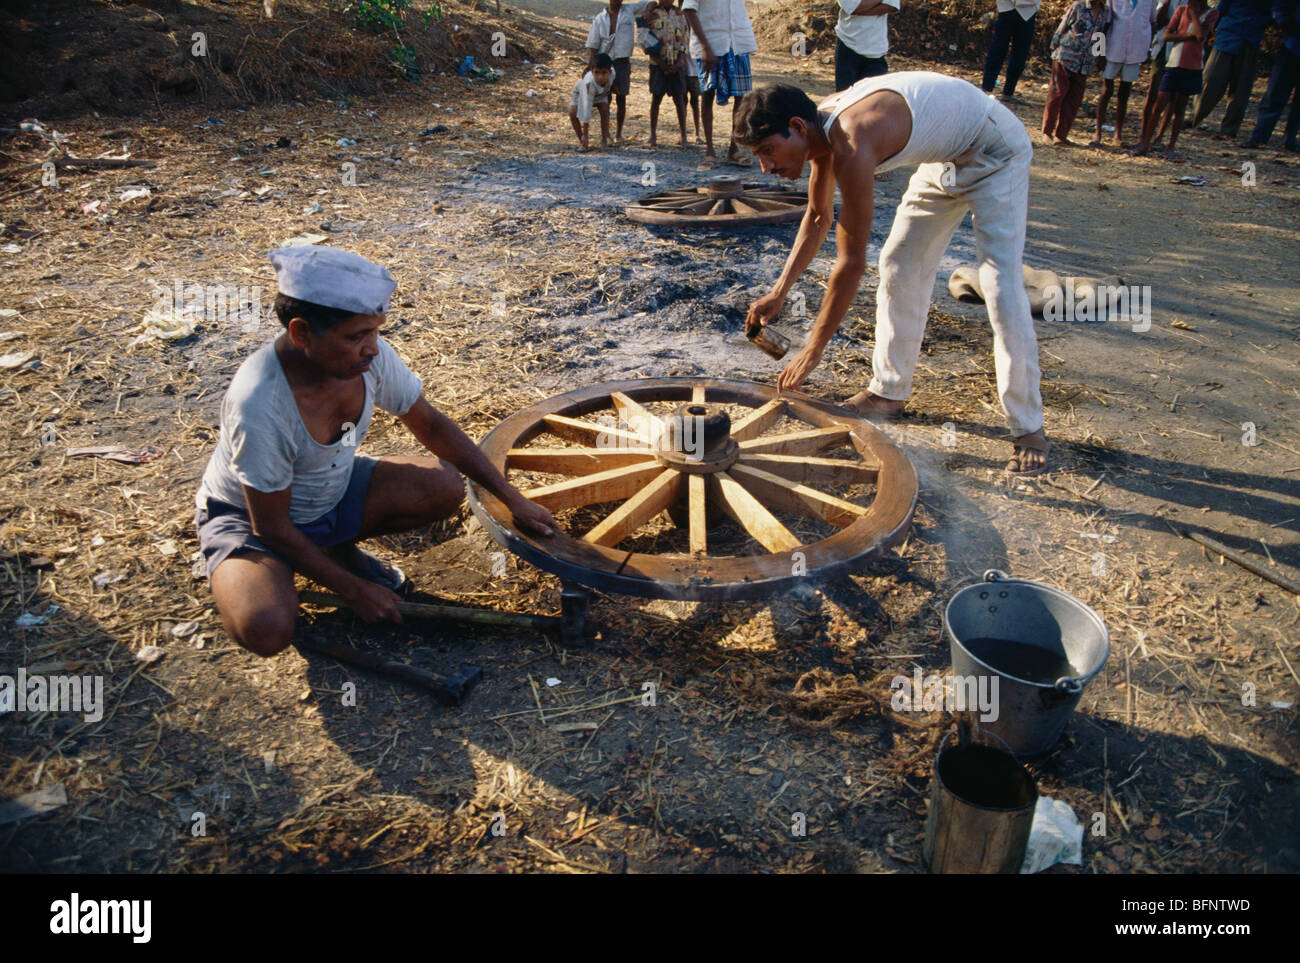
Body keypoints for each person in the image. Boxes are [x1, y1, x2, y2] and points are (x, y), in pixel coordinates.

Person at [194, 246, 557, 657]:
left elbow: (432, 426)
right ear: (301, 333)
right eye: (356, 336)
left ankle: (335, 550)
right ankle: (277, 571)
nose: (372, 347)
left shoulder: (369, 358)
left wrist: (512, 498)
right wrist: (354, 591)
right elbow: (272, 528)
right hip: (253, 521)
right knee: (266, 628)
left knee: (442, 487)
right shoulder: (259, 403)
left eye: (375, 331)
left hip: (329, 492)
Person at [736, 75, 1050, 474]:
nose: (765, 167)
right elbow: (817, 216)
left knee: (999, 283)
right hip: (944, 158)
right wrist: (780, 291)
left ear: (797, 128)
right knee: (900, 262)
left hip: (994, 149)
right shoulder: (819, 135)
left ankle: (1028, 427)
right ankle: (888, 393)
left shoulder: (851, 139)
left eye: (768, 151)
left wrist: (813, 350)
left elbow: (850, 262)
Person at [682, 0, 759, 166]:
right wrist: (705, 47)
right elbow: (689, 10)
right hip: (711, 44)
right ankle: (709, 149)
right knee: (707, 95)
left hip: (738, 43)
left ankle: (734, 147)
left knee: (741, 98)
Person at [1135, 0, 1214, 158]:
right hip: (1174, 62)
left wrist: (1193, 14)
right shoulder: (1180, 10)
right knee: (1160, 103)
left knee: (1179, 107)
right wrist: (1189, 34)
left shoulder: (1211, 13)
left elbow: (1200, 35)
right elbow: (1167, 35)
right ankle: (1145, 143)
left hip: (1193, 65)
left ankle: (1170, 146)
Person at [1191, 0, 1272, 139]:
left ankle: (1229, 129)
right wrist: (1210, 30)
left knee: (1241, 88)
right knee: (1211, 79)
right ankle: (1194, 118)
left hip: (1251, 38)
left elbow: (1272, 14)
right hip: (1228, 35)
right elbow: (1221, 9)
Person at [1092, 0, 1159, 148]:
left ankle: (1118, 134)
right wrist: (1098, 53)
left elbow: (1152, 23)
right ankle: (1098, 132)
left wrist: (1149, 49)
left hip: (1136, 50)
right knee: (1106, 90)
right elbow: (1103, 24)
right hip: (1113, 48)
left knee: (1124, 93)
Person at [1046, 0, 1111, 145]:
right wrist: (1054, 48)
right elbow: (1062, 29)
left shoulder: (1105, 12)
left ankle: (1061, 135)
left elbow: (1100, 35)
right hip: (1066, 56)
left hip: (1085, 62)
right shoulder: (1078, 6)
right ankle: (1047, 132)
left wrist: (1098, 57)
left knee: (1074, 100)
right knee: (1057, 94)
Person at [1244, 0, 1300, 149]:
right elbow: (1279, 7)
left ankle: (1291, 140)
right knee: (1274, 94)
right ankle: (1259, 136)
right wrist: (1287, 24)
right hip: (1292, 46)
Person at [586, 0, 636, 144]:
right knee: (605, 99)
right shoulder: (599, 18)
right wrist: (591, 66)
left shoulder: (629, 11)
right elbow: (593, 44)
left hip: (622, 60)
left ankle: (619, 133)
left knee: (621, 97)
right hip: (604, 62)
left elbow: (648, 4)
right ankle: (606, 133)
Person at [644, 0, 691, 147]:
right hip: (658, 64)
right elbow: (645, 40)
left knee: (680, 99)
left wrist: (680, 62)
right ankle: (653, 134)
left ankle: (683, 135)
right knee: (656, 98)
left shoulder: (680, 14)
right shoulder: (652, 14)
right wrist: (661, 63)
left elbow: (685, 38)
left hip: (676, 63)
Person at [982, 0, 1042, 103]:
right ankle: (991, 89)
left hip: (1023, 9)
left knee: (1017, 52)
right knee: (1002, 49)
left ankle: (1003, 91)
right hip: (1012, 7)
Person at [835, 0, 899, 92]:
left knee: (872, 98)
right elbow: (854, 8)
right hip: (848, 45)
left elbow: (891, 6)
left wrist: (862, 8)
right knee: (845, 98)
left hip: (876, 50)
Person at [570, 55, 617, 150]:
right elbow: (586, 108)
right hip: (581, 94)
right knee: (572, 113)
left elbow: (612, 82)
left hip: (601, 94)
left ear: (609, 72)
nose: (600, 77)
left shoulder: (613, 74)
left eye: (604, 73)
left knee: (605, 110)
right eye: (597, 72)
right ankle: (583, 141)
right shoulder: (588, 83)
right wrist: (585, 134)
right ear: (591, 71)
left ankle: (604, 139)